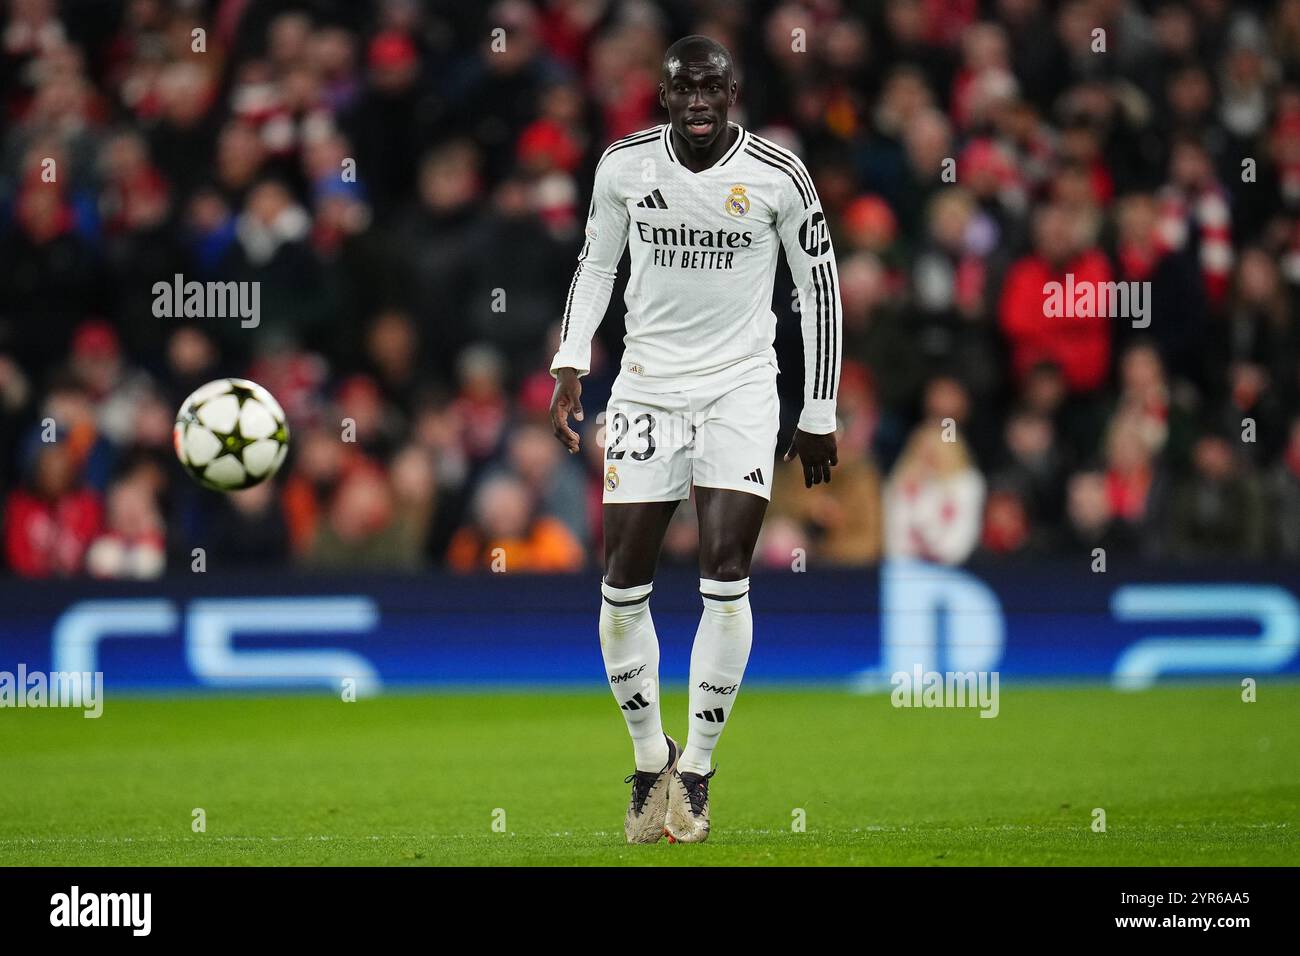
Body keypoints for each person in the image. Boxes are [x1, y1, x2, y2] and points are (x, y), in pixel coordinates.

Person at [547, 36, 841, 844]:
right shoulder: (623, 167)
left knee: (726, 569)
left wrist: (818, 408)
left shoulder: (779, 176)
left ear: (734, 91)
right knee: (621, 584)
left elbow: (819, 290)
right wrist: (572, 361)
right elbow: (596, 264)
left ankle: (700, 770)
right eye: (686, 89)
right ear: (665, 97)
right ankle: (652, 757)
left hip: (741, 388)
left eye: (714, 87)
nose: (701, 101)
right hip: (645, 386)